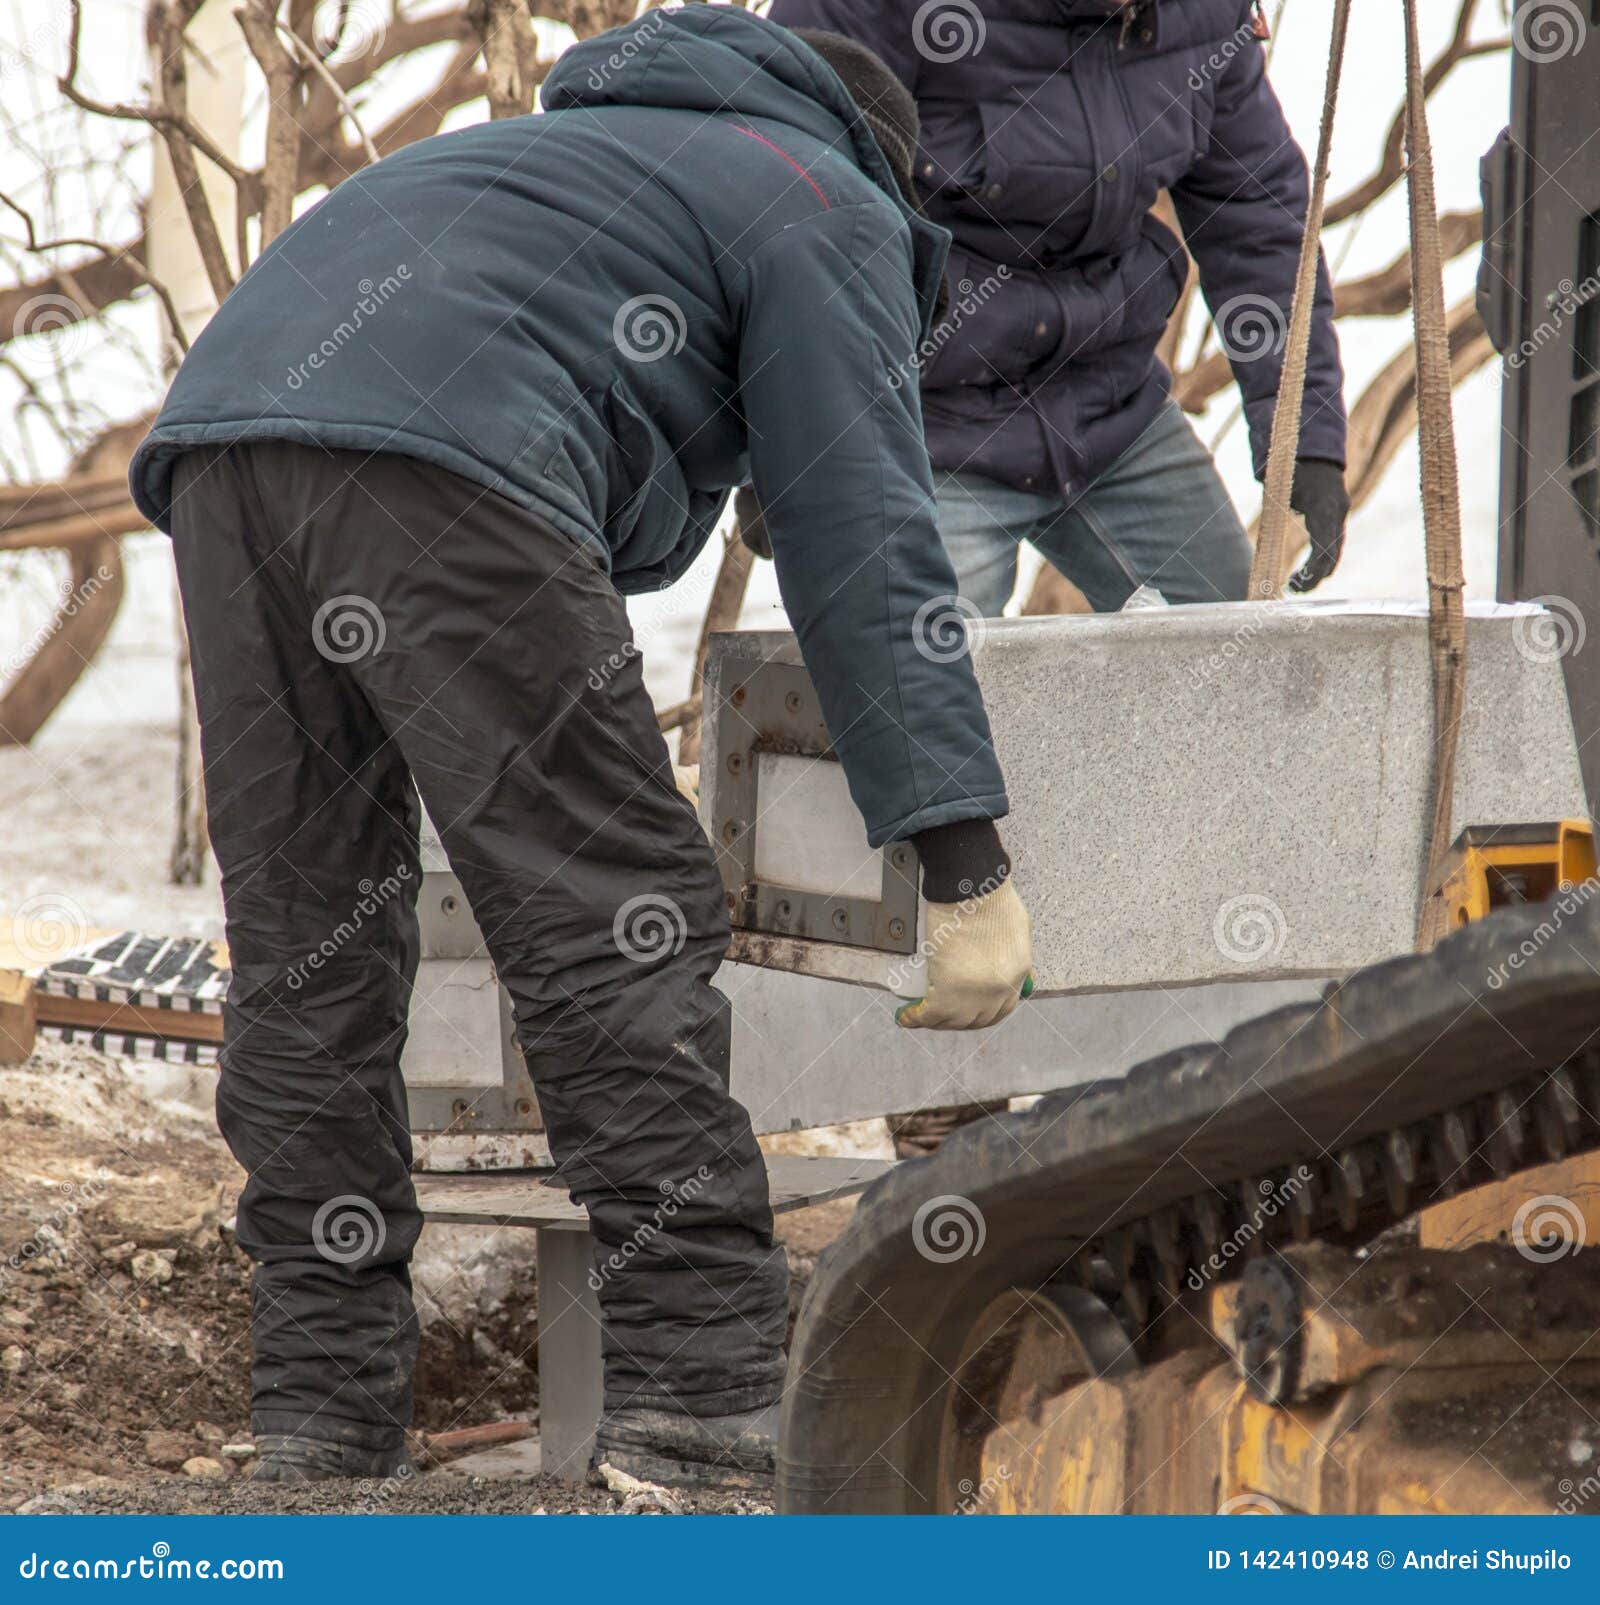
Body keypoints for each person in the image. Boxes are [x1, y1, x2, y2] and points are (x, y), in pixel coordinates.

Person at [127, 7, 1033, 1489]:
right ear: (877, 162)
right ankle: (699, 1414)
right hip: (445, 458)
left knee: (305, 946)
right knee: (616, 924)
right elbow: (862, 536)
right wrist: (960, 848)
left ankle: (321, 1415)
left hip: (228, 450)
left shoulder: (550, 156)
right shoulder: (821, 199)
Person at [768, 0, 1350, 615]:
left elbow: (1255, 214)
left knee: (1240, 654)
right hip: (920, 426)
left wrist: (1306, 432)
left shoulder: (1202, 15)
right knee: (925, 685)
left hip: (1109, 406)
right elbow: (783, 204)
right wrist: (783, 440)